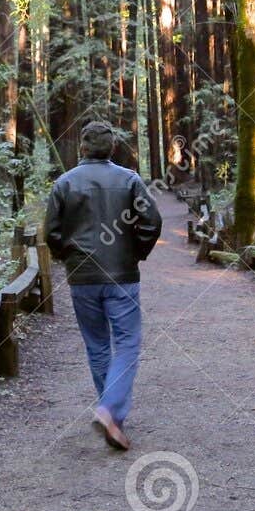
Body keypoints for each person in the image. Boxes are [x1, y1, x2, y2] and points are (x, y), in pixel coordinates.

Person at [41, 121, 163, 451]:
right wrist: (134, 252)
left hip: (82, 279)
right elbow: (152, 221)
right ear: (112, 148)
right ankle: (110, 412)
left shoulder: (64, 183)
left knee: (97, 346)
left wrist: (68, 258)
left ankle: (110, 414)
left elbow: (50, 233)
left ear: (82, 146)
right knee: (126, 344)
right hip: (121, 276)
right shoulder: (129, 180)